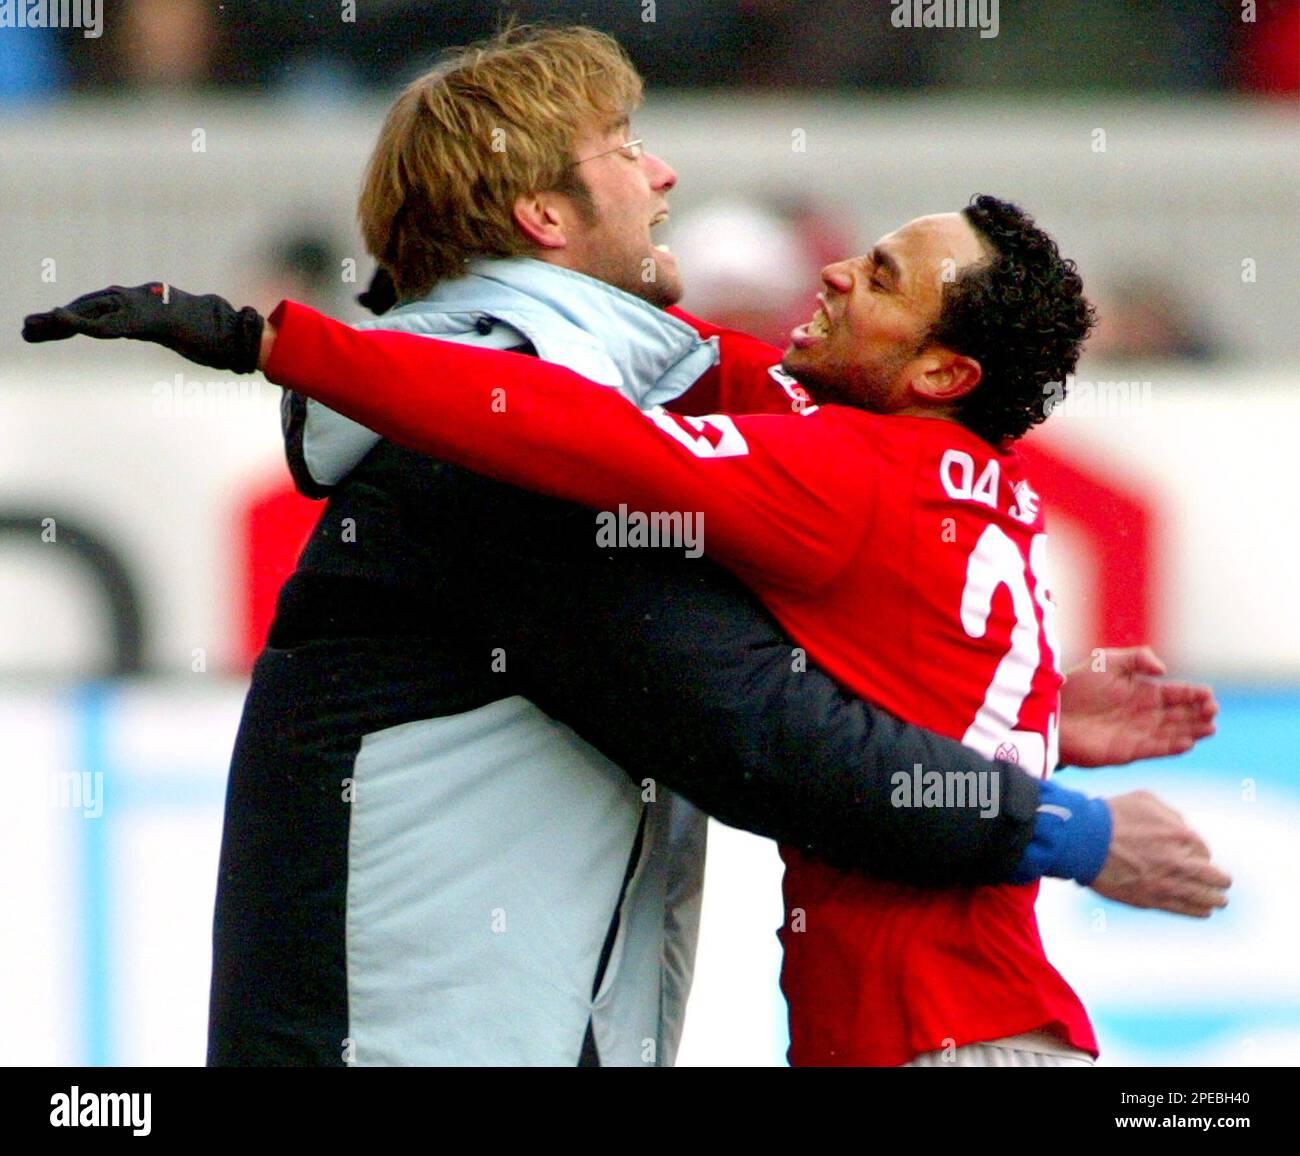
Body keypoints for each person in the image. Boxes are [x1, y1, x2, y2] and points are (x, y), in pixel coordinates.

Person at [22, 27, 1226, 1067]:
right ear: (544, 215)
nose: (664, 171)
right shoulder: (499, 447)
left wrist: (998, 705)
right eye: (623, 148)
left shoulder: (578, 409)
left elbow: (748, 662)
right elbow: (762, 730)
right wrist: (1071, 827)